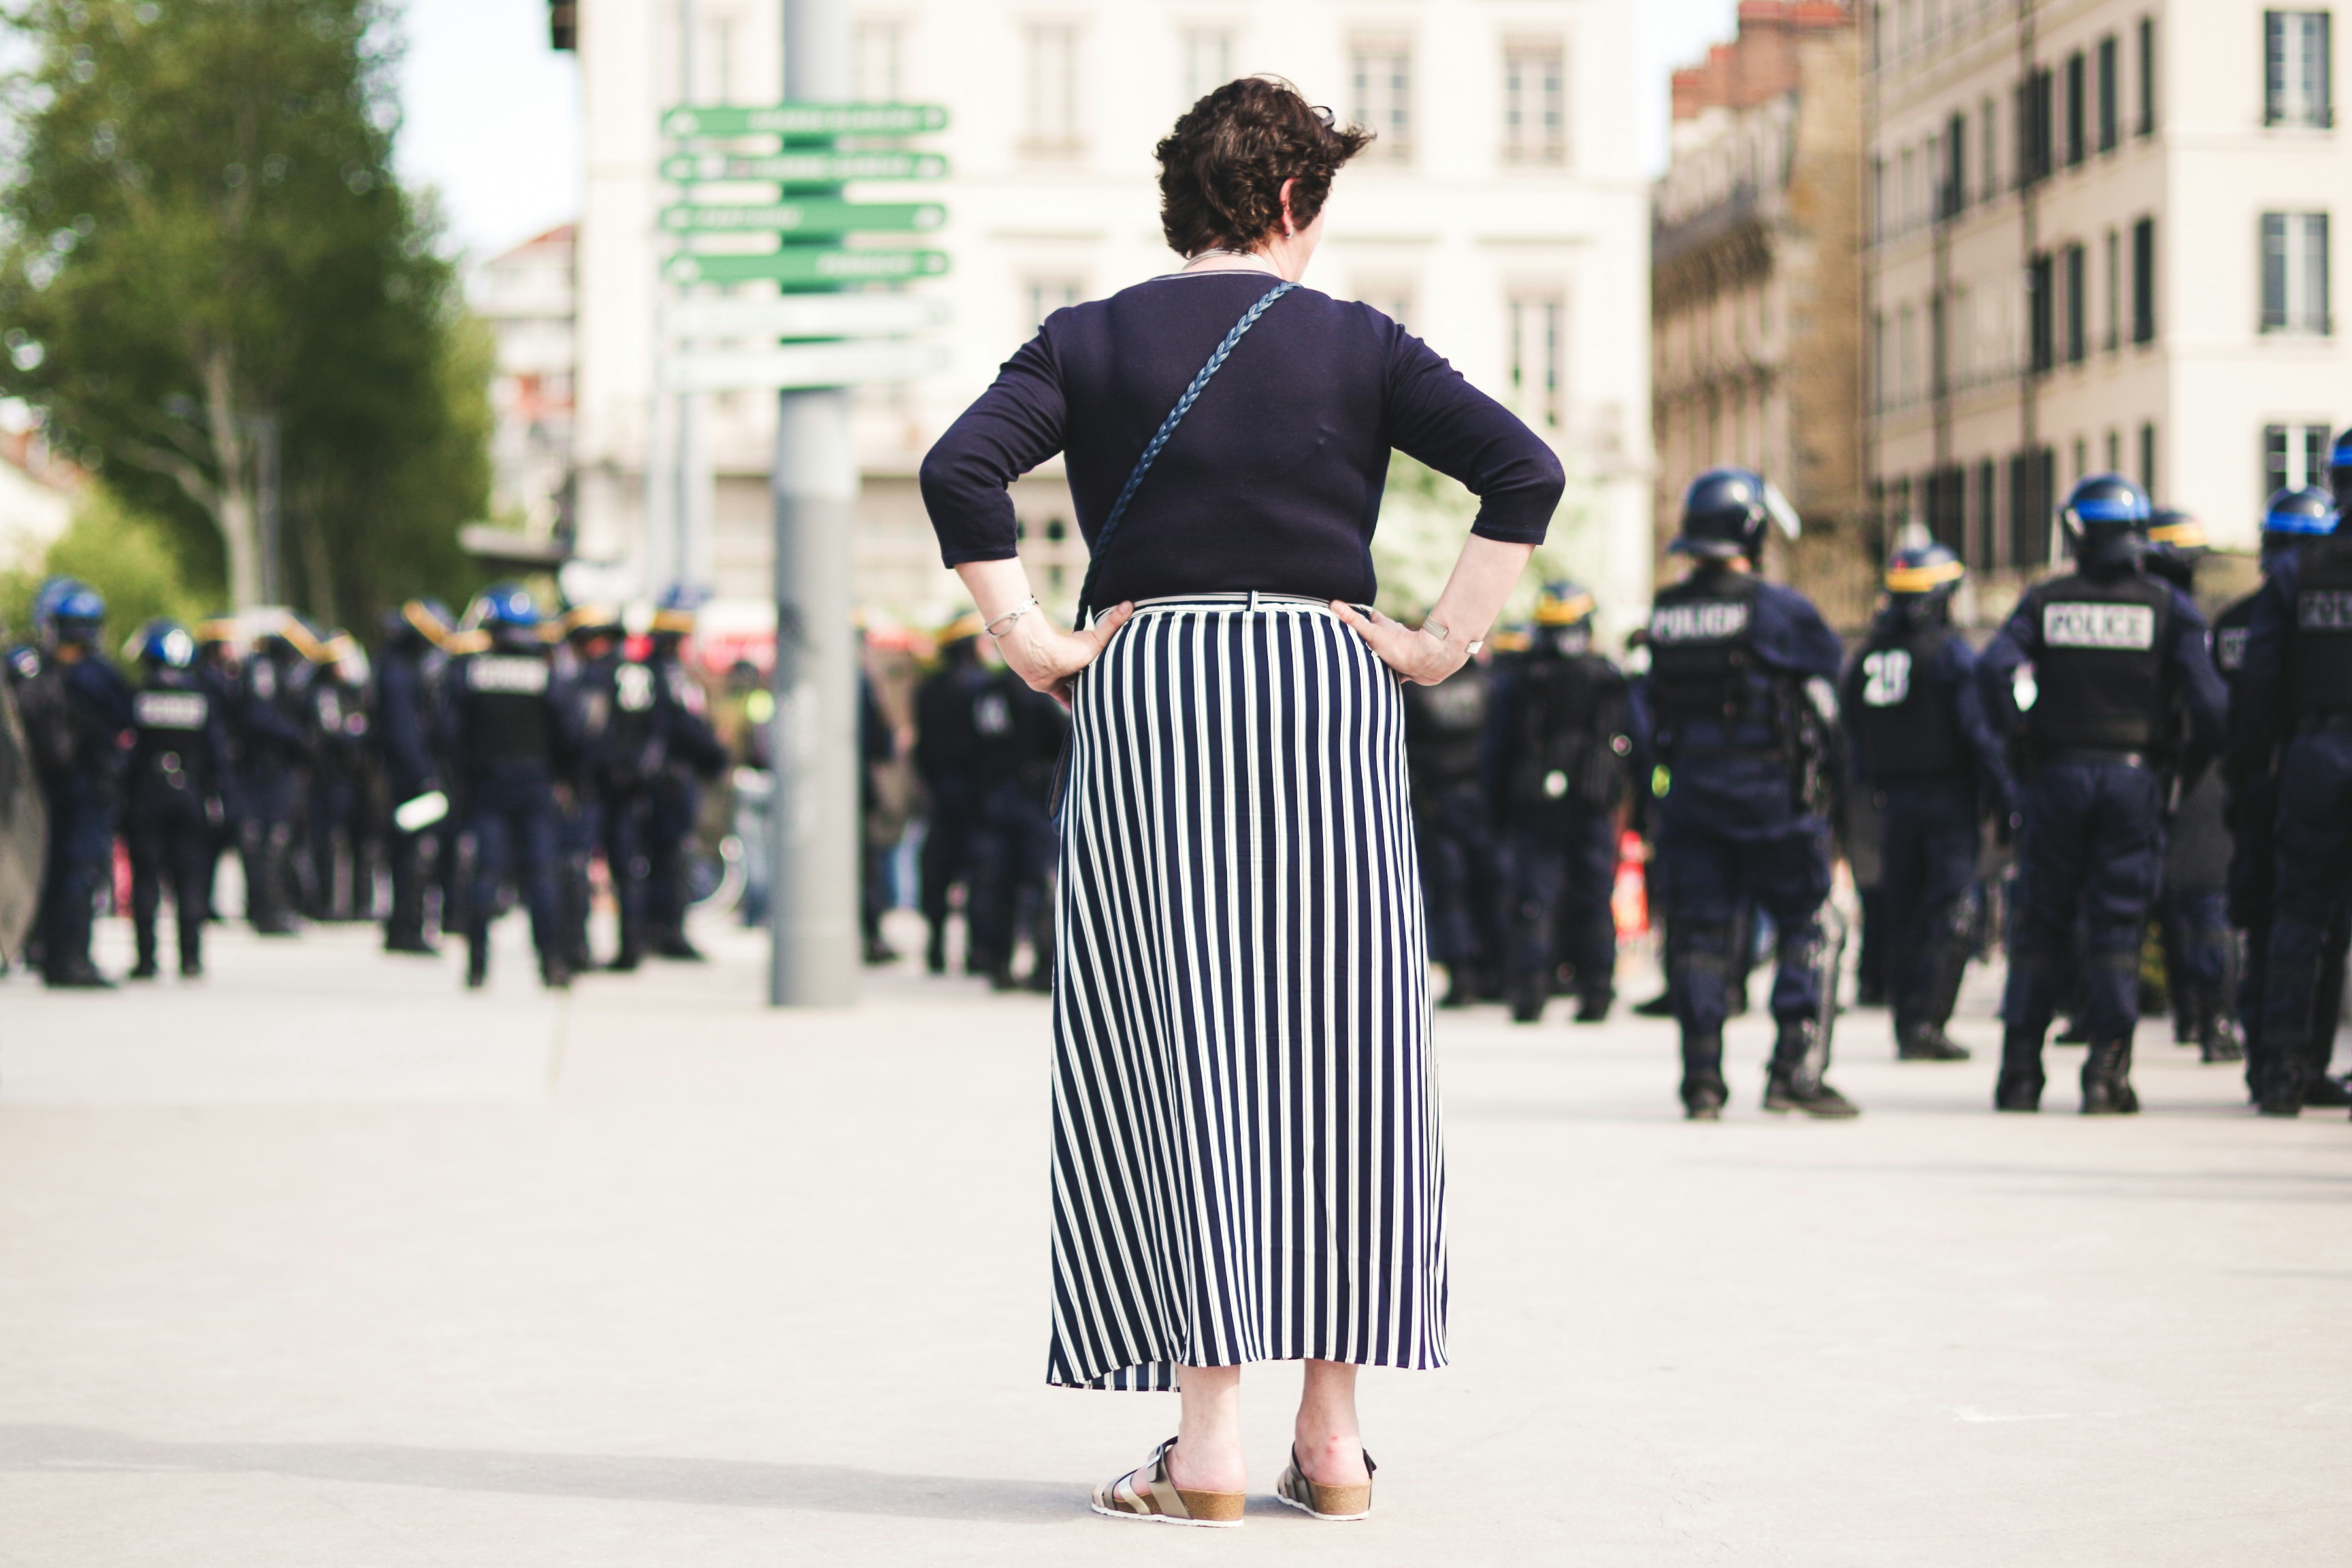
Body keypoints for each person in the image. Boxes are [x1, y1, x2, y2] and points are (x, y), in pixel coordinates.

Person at [917, 77, 1557, 1523]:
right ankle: (1330, 1443)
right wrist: (1440, 639)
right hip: (1326, 680)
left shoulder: (1087, 339)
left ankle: (1203, 1445)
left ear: (1181, 204)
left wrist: (1028, 638)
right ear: (1290, 203)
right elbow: (1525, 469)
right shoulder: (1361, 343)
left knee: (1179, 1035)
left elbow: (961, 468)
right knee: (1348, 1046)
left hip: (1153, 678)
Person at [1978, 475, 2227, 1113]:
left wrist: (2020, 743)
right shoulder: (2168, 607)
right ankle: (2106, 1076)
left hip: (2058, 777)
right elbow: (2211, 706)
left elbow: (1993, 668)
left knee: (2039, 925)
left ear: (2077, 532)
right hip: (2132, 778)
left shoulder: (2045, 600)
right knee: (2117, 927)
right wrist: (2179, 770)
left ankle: (2019, 1076)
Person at [1639, 469, 1855, 1120]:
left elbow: (1654, 712)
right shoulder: (1780, 610)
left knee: (1700, 937)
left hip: (1692, 799)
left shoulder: (1666, 612)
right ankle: (1796, 1073)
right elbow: (1828, 700)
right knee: (1810, 925)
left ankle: (1702, 1083)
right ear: (1753, 531)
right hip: (1772, 801)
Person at [1840, 542, 2009, 1062]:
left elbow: (1851, 726)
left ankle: (1906, 1020)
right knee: (1953, 909)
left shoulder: (1868, 654)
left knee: (1902, 911)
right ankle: (1928, 1024)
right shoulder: (1950, 653)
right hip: (1948, 800)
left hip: (1890, 803)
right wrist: (2004, 794)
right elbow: (1979, 731)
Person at [2231, 453, 2352, 1116]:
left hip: (2315, 753)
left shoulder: (2295, 572)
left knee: (2301, 916)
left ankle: (2281, 1071)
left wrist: (2257, 772)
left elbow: (2258, 686)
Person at [1489, 581, 1629, 1023]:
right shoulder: (1608, 677)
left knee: (1535, 899)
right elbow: (1636, 746)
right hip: (1590, 807)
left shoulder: (1523, 678)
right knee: (1592, 897)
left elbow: (1496, 748)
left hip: (1540, 807)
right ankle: (1596, 993)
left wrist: (1497, 809)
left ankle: (1530, 992)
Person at [2143, 512, 2247, 1068]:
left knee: (2177, 899)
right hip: (2203, 767)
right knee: (2204, 902)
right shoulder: (2217, 616)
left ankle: (2198, 1015)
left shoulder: (2158, 614)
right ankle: (2212, 1020)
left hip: (2166, 764)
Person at [440, 584, 575, 990]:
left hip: (487, 787)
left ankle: (478, 967)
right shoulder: (546, 673)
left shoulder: (469, 671)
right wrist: (565, 777)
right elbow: (569, 735)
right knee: (541, 877)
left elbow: (447, 733)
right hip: (534, 786)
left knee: (484, 875)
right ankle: (551, 964)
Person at [13, 579, 133, 986]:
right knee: (81, 871)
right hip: (86, 789)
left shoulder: (24, 667)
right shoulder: (100, 675)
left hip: (34, 791)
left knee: (44, 869)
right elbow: (126, 720)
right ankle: (73, 960)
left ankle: (41, 952)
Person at [122, 619, 231, 979]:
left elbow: (126, 755)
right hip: (190, 798)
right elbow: (218, 756)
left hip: (146, 800)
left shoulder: (139, 698)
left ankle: (146, 960)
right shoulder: (201, 699)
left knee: (146, 881)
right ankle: (191, 958)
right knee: (190, 880)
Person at [1401, 646, 1500, 1007]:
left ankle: (1464, 977)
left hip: (1438, 797)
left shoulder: (1416, 688)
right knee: (1489, 885)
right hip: (1482, 796)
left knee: (1449, 890)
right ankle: (1494, 972)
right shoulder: (1487, 683)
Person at [642, 590, 728, 961]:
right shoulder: (671, 677)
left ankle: (653, 927)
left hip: (657, 778)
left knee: (658, 856)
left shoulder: (646, 674)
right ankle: (668, 929)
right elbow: (685, 727)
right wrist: (716, 756)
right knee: (672, 857)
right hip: (671, 779)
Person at [911, 615, 993, 975]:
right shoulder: (983, 687)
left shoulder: (928, 689)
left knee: (938, 872)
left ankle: (936, 947)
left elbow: (921, 748)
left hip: (941, 793)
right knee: (979, 872)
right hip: (977, 794)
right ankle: (976, 950)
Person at [376, 600, 451, 955]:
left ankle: (403, 927)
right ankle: (408, 929)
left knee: (408, 853)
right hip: (407, 778)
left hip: (403, 773)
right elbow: (404, 733)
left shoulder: (398, 668)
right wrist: (425, 776)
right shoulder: (399, 673)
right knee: (415, 854)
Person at [236, 617, 318, 936]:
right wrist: (299, 737)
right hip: (267, 765)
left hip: (276, 764)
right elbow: (261, 716)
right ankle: (269, 910)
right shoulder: (264, 669)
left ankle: (275, 906)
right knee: (272, 838)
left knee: (277, 838)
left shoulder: (271, 668)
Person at [303, 630, 374, 921]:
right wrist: (358, 733)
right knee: (329, 841)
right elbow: (335, 732)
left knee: (364, 841)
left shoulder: (356, 692)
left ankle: (362, 903)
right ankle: (328, 903)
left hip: (358, 776)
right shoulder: (324, 693)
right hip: (332, 776)